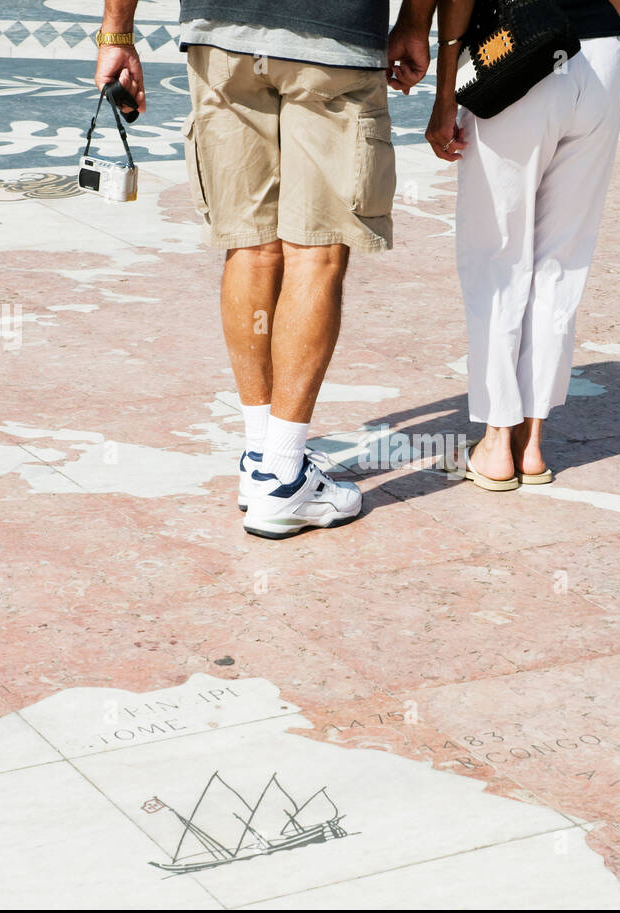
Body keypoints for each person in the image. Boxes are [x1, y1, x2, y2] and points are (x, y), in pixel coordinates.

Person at [94, 0, 434, 537]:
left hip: (222, 35)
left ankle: (261, 460)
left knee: (250, 247)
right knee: (316, 252)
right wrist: (416, 23)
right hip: (332, 39)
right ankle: (282, 476)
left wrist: (116, 32)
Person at [428, 0, 620, 490]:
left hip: (520, 52)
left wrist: (443, 93)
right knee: (562, 258)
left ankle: (498, 441)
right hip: (602, 50)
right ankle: (533, 442)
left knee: (497, 256)